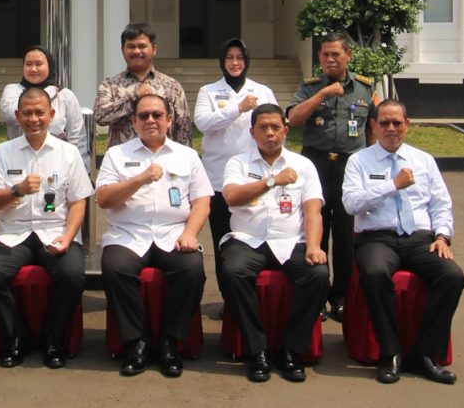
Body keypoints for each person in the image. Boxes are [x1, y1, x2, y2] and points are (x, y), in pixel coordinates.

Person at [342, 100, 464, 385]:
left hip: (419, 239)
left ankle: (424, 354)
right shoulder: (358, 161)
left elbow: (441, 204)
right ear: (373, 126)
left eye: (397, 122)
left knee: (453, 276)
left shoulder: (424, 161)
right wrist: (391, 185)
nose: (391, 128)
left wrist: (442, 236)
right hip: (377, 238)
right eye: (384, 122)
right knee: (373, 274)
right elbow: (350, 205)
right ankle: (391, 353)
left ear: (407, 125)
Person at [0, 86, 93, 369]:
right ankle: (17, 337)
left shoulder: (68, 153)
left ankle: (53, 340)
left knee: (73, 274)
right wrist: (17, 189)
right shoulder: (4, 152)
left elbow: (79, 202)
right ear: (17, 116)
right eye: (27, 113)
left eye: (40, 112)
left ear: (51, 115)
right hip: (14, 233)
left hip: (55, 231)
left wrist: (68, 237)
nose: (33, 119)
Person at [97, 93, 212, 378]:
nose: (151, 120)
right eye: (144, 116)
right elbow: (104, 199)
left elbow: (202, 201)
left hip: (173, 233)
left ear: (169, 120)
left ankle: (170, 342)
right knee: (115, 268)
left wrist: (189, 233)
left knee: (192, 269)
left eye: (157, 115)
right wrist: (139, 179)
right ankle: (137, 343)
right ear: (133, 122)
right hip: (128, 234)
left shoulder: (187, 156)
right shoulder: (116, 155)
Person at [219, 103, 329, 383]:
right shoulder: (238, 162)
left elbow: (313, 211)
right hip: (247, 240)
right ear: (252, 132)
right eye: (263, 128)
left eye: (275, 127)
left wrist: (314, 246)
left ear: (286, 130)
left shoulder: (303, 165)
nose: (269, 133)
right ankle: (258, 351)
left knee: (317, 275)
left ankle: (291, 351)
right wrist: (272, 181)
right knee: (232, 272)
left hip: (290, 242)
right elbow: (231, 197)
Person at [286, 31, 376, 321]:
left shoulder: (365, 88)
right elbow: (294, 119)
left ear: (348, 56)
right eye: (324, 54)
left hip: (351, 166)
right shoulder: (310, 86)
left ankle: (341, 296)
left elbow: (372, 129)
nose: (329, 59)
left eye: (335, 54)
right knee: (316, 227)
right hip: (317, 164)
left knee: (346, 232)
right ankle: (318, 293)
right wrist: (323, 93)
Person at [193, 37, 277, 287]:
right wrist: (236, 109)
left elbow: (273, 125)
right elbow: (203, 123)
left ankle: (251, 290)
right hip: (218, 178)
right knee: (222, 237)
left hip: (253, 177)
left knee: (253, 234)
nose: (234, 62)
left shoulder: (262, 92)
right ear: (222, 61)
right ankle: (227, 296)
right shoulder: (208, 91)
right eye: (229, 58)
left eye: (239, 58)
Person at [93, 22, 192, 147]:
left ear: (154, 49)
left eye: (142, 46)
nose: (136, 51)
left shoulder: (171, 86)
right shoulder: (110, 85)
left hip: (163, 160)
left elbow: (184, 130)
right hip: (123, 161)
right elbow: (100, 117)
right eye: (131, 46)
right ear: (122, 49)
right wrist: (132, 96)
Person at [0, 45, 88, 159]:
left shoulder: (65, 96)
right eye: (28, 64)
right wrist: (46, 94)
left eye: (39, 64)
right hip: (19, 160)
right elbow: (11, 115)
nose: (33, 69)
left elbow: (77, 138)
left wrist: (80, 168)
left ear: (49, 66)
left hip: (58, 162)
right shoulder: (13, 90)